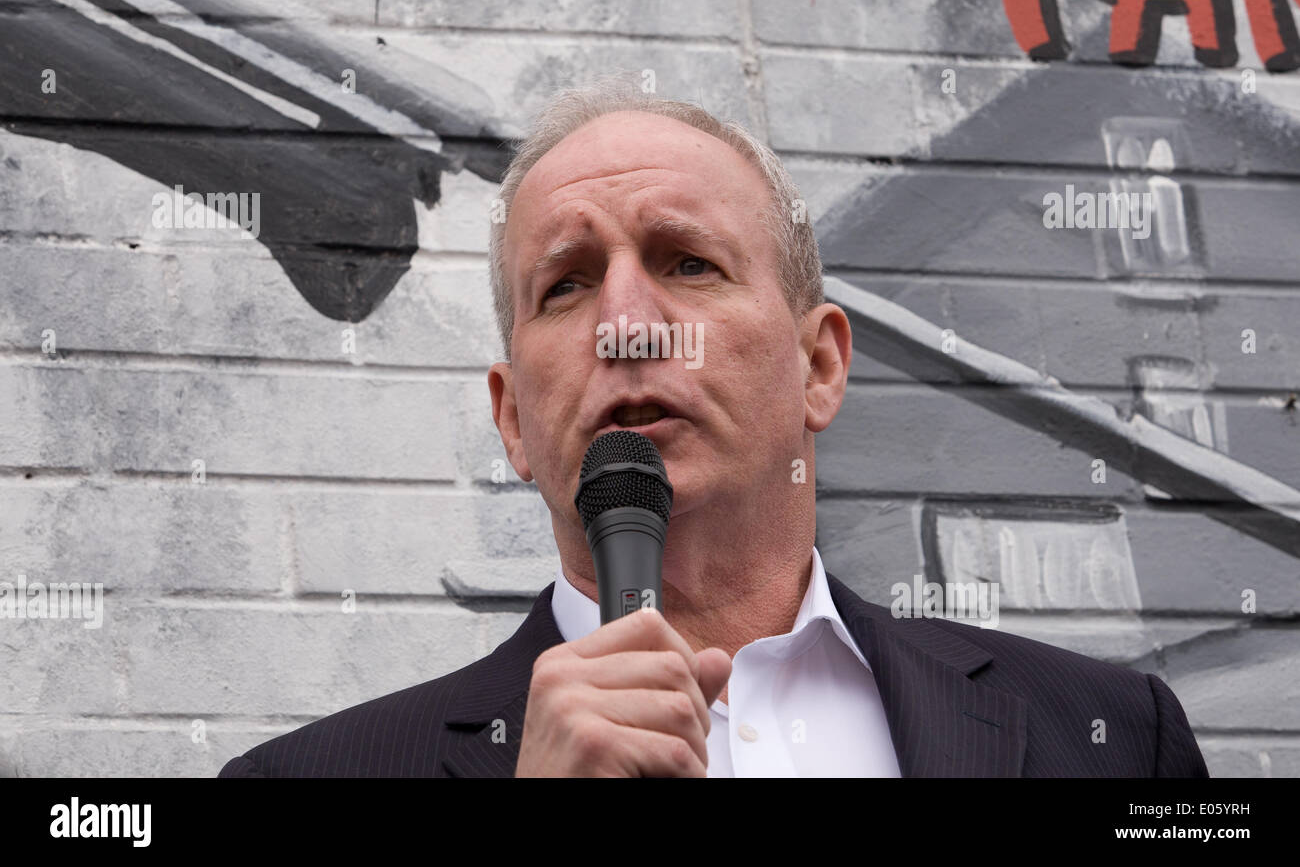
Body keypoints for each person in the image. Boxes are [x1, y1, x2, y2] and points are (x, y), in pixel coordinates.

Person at [219, 77, 1209, 778]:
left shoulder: (1110, 736)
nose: (626, 322)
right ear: (514, 420)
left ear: (818, 364)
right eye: (565, 284)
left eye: (688, 262)